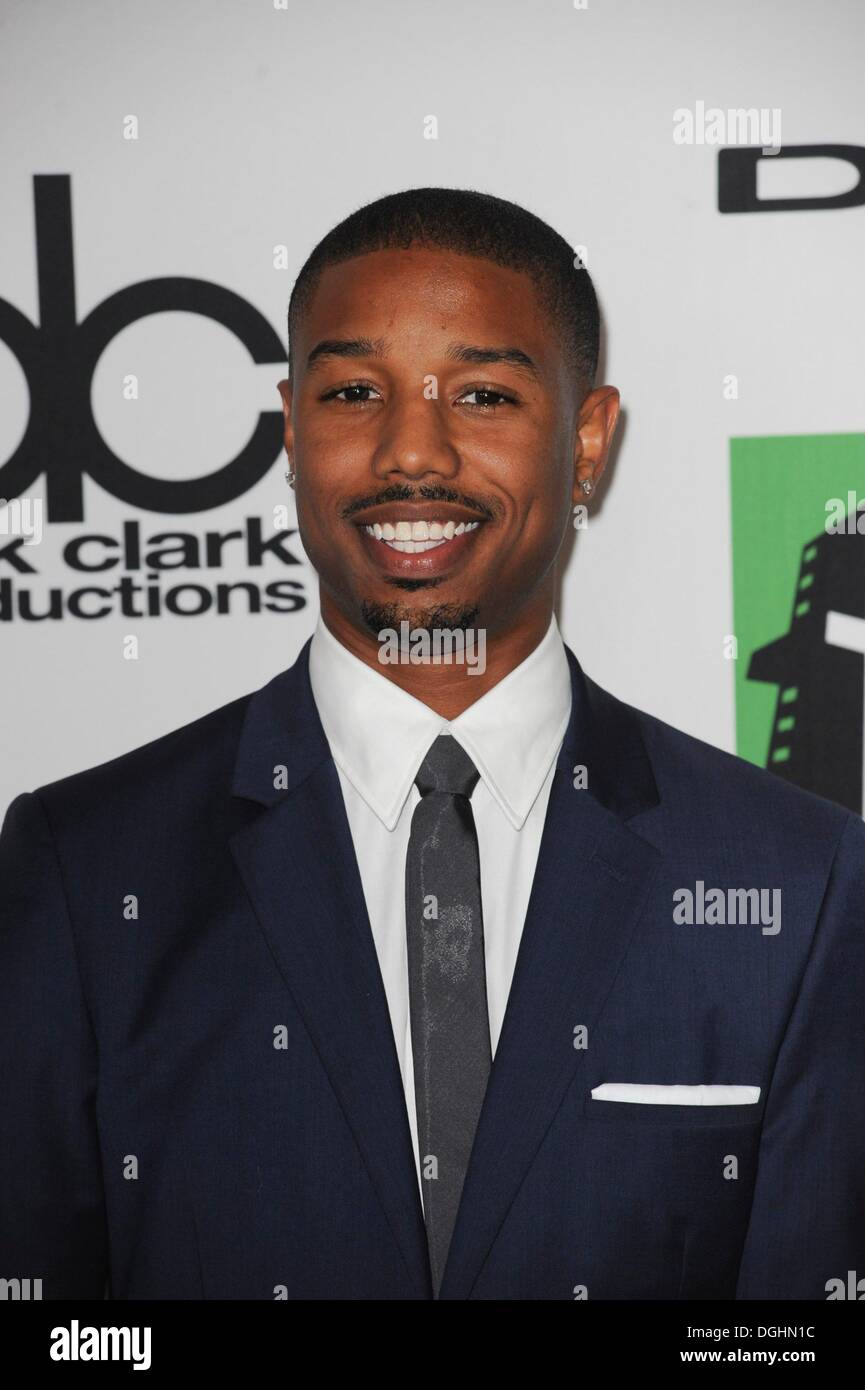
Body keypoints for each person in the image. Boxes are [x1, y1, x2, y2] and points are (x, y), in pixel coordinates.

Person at [1, 187, 863, 1301]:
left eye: (484, 393)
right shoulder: (85, 867)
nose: (414, 451)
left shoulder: (793, 878)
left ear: (588, 439)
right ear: (291, 431)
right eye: (355, 391)